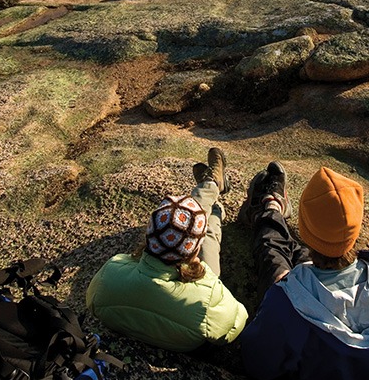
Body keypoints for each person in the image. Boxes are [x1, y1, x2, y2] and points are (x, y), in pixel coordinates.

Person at [238, 162, 369, 380]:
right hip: (361, 377)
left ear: (304, 227)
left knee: (272, 252)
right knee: (299, 255)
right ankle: (273, 207)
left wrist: (284, 288)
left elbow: (257, 363)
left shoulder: (282, 306)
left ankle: (269, 208)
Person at [86, 147, 248, 351]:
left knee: (183, 221)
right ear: (193, 253)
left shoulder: (107, 277)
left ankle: (211, 190)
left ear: (148, 236)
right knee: (203, 233)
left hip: (152, 276)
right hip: (184, 343)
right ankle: (213, 198)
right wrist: (205, 276)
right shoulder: (206, 298)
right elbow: (237, 322)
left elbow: (98, 293)